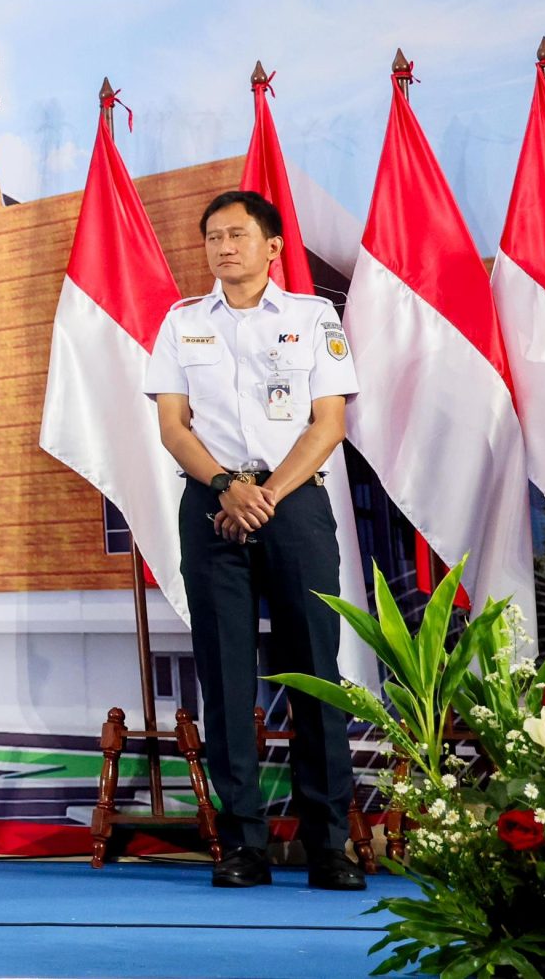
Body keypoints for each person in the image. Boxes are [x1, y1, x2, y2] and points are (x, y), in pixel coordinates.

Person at [144, 190, 363, 892]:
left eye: (237, 234)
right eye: (213, 237)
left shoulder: (312, 317)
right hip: (212, 506)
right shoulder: (182, 323)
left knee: (314, 672)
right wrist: (226, 488)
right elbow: (174, 427)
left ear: (271, 245)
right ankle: (241, 844)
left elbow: (327, 423)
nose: (223, 246)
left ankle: (330, 843)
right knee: (225, 677)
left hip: (294, 502)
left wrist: (264, 494)